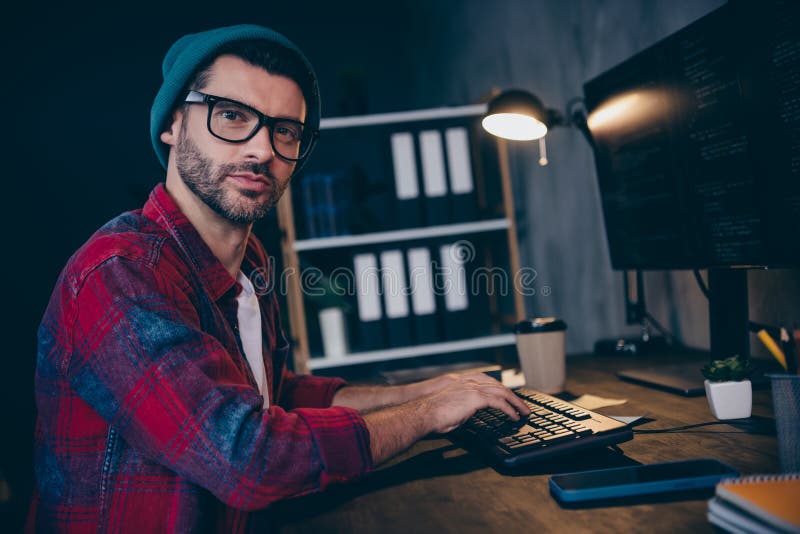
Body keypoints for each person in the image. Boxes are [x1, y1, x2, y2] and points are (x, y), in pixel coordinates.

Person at [28, 24, 529, 532]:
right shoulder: (120, 273)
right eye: (231, 115)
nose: (262, 148)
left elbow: (274, 395)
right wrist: (425, 416)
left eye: (285, 130)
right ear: (173, 124)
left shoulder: (251, 261)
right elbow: (248, 456)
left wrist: (427, 392)